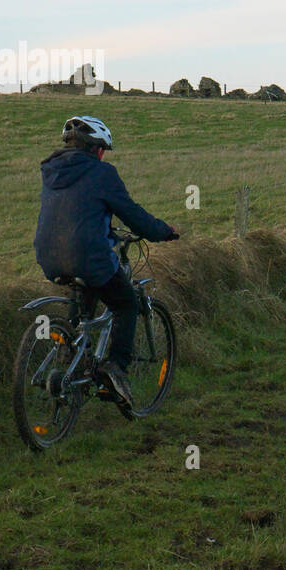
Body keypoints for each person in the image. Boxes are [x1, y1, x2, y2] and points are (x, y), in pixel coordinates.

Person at [33, 116, 178, 405]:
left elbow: (76, 210)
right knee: (126, 302)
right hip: (86, 256)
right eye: (103, 150)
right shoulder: (102, 174)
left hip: (48, 255)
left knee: (83, 316)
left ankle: (71, 363)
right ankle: (116, 370)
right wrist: (163, 231)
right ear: (96, 149)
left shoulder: (51, 172)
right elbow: (133, 215)